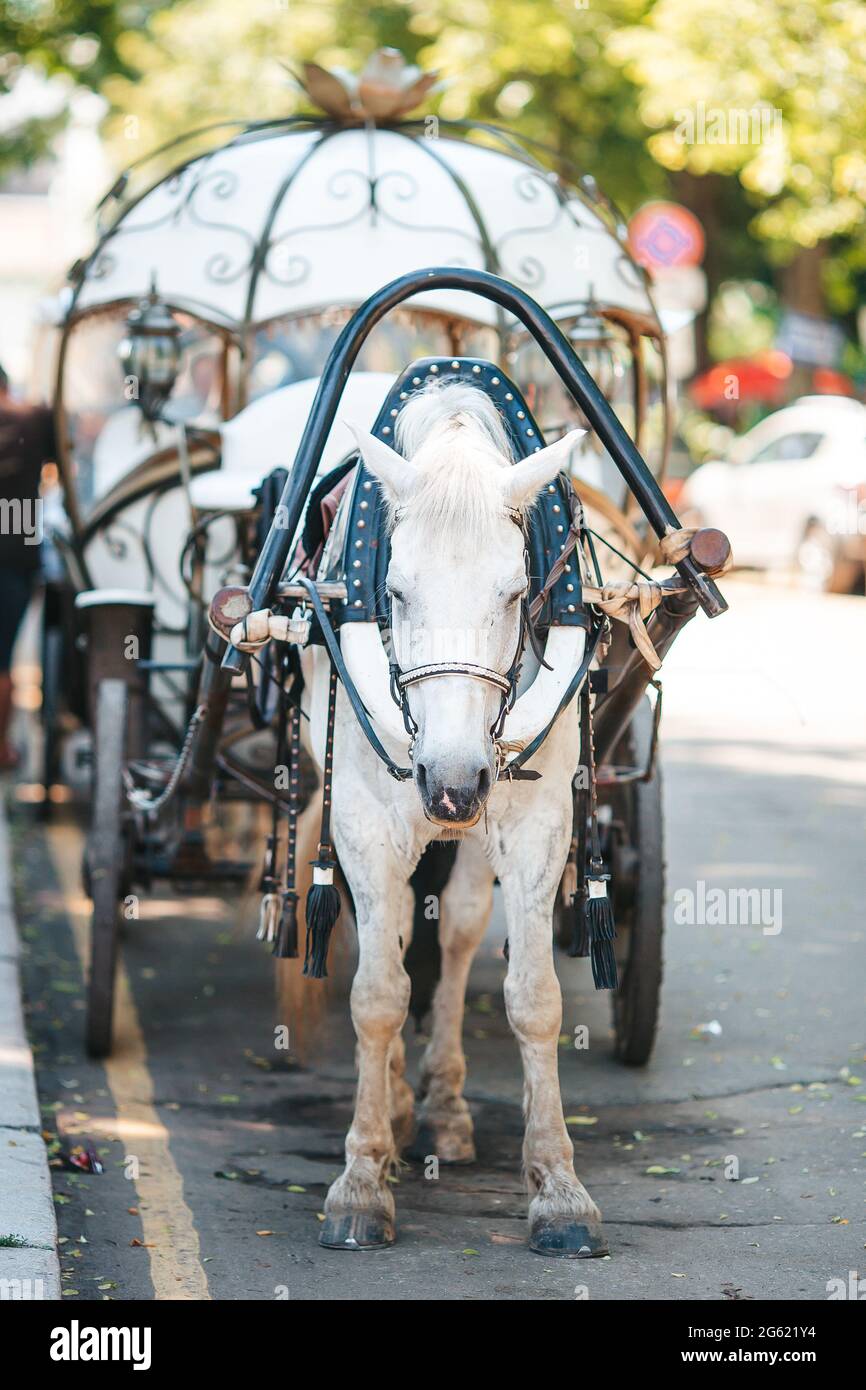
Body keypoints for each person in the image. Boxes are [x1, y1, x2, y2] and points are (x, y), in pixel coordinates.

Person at [0, 363, 55, 769]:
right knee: (4, 659)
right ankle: (1, 747)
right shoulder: (34, 419)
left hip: (16, 555)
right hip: (17, 553)